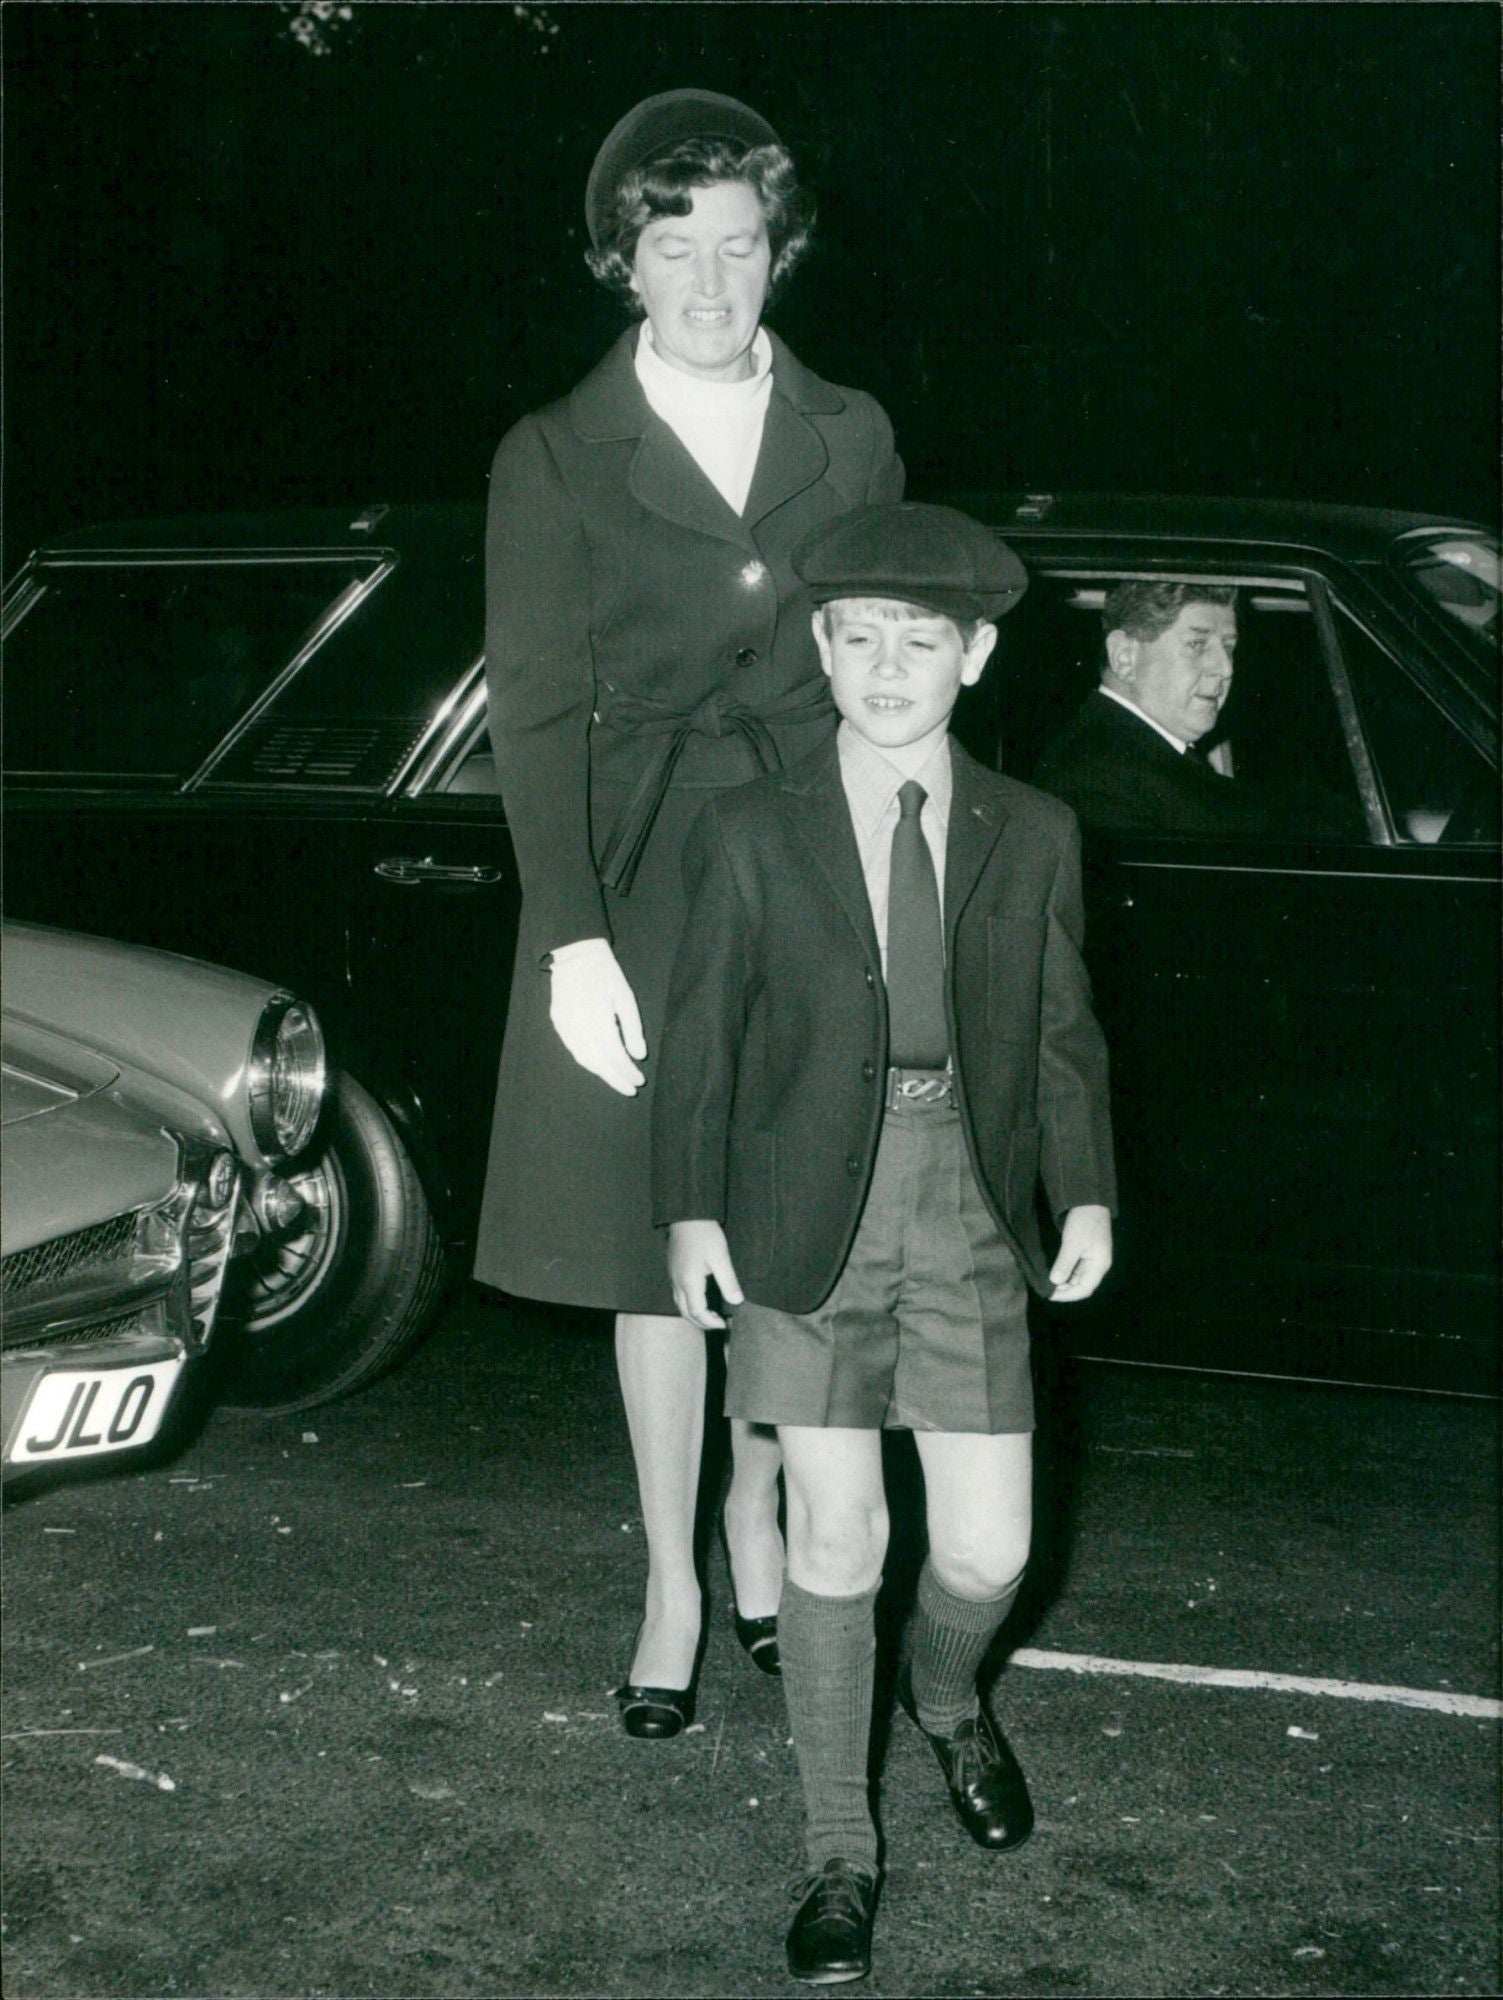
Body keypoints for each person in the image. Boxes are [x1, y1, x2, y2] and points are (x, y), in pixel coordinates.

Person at [474, 89, 904, 1737]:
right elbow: (534, 714)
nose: (711, 282)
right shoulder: (552, 454)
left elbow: (882, 658)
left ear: (777, 252)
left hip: (800, 860)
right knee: (648, 1242)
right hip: (637, 872)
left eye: (739, 246)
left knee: (785, 1219)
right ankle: (669, 1579)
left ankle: (753, 1513)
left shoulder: (850, 433)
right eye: (675, 248)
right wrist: (570, 934)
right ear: (623, 262)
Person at [652, 502, 1116, 1983]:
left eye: (920, 642)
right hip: (802, 1205)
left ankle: (943, 1692)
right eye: (858, 638)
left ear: (974, 657)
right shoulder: (749, 827)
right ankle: (836, 1851)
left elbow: (1059, 1033)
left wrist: (1085, 1190)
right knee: (835, 1535)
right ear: (820, 646)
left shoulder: (1031, 831)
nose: (887, 667)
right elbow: (700, 1039)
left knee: (987, 1546)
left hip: (967, 1197)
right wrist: (690, 1206)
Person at [1034, 579, 1357, 838]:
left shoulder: (1148, 758)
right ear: (1124, 657)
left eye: (1228, 647)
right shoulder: (1093, 783)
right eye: (1197, 644)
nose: (1225, 668)